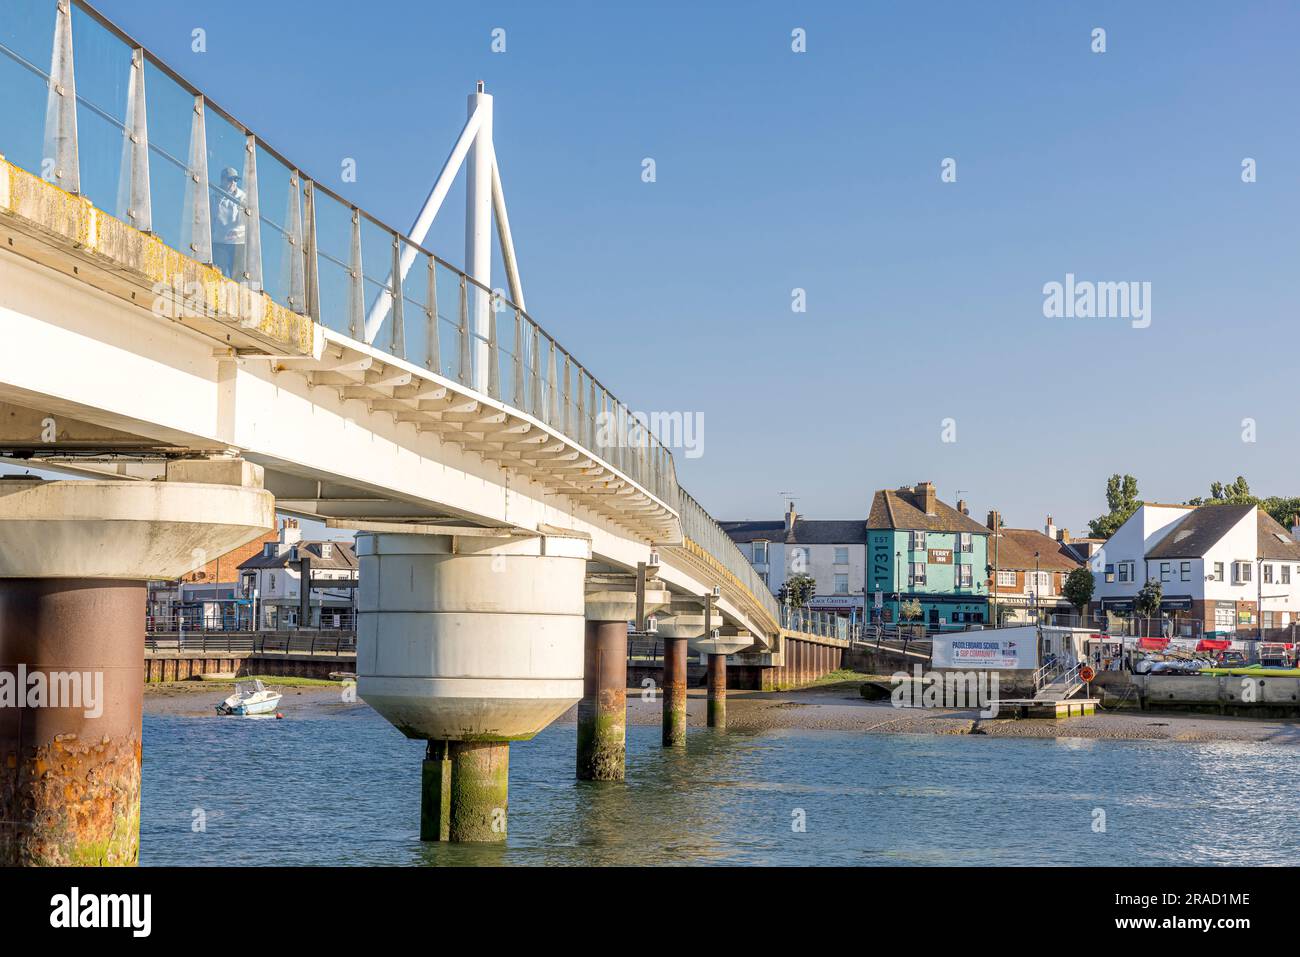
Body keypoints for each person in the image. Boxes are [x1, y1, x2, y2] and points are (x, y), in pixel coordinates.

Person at [214, 166, 247, 279]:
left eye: (235, 180)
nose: (233, 183)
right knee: (218, 274)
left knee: (237, 277)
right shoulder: (215, 196)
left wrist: (236, 231)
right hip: (219, 241)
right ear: (223, 180)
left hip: (237, 243)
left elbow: (248, 220)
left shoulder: (242, 197)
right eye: (230, 179)